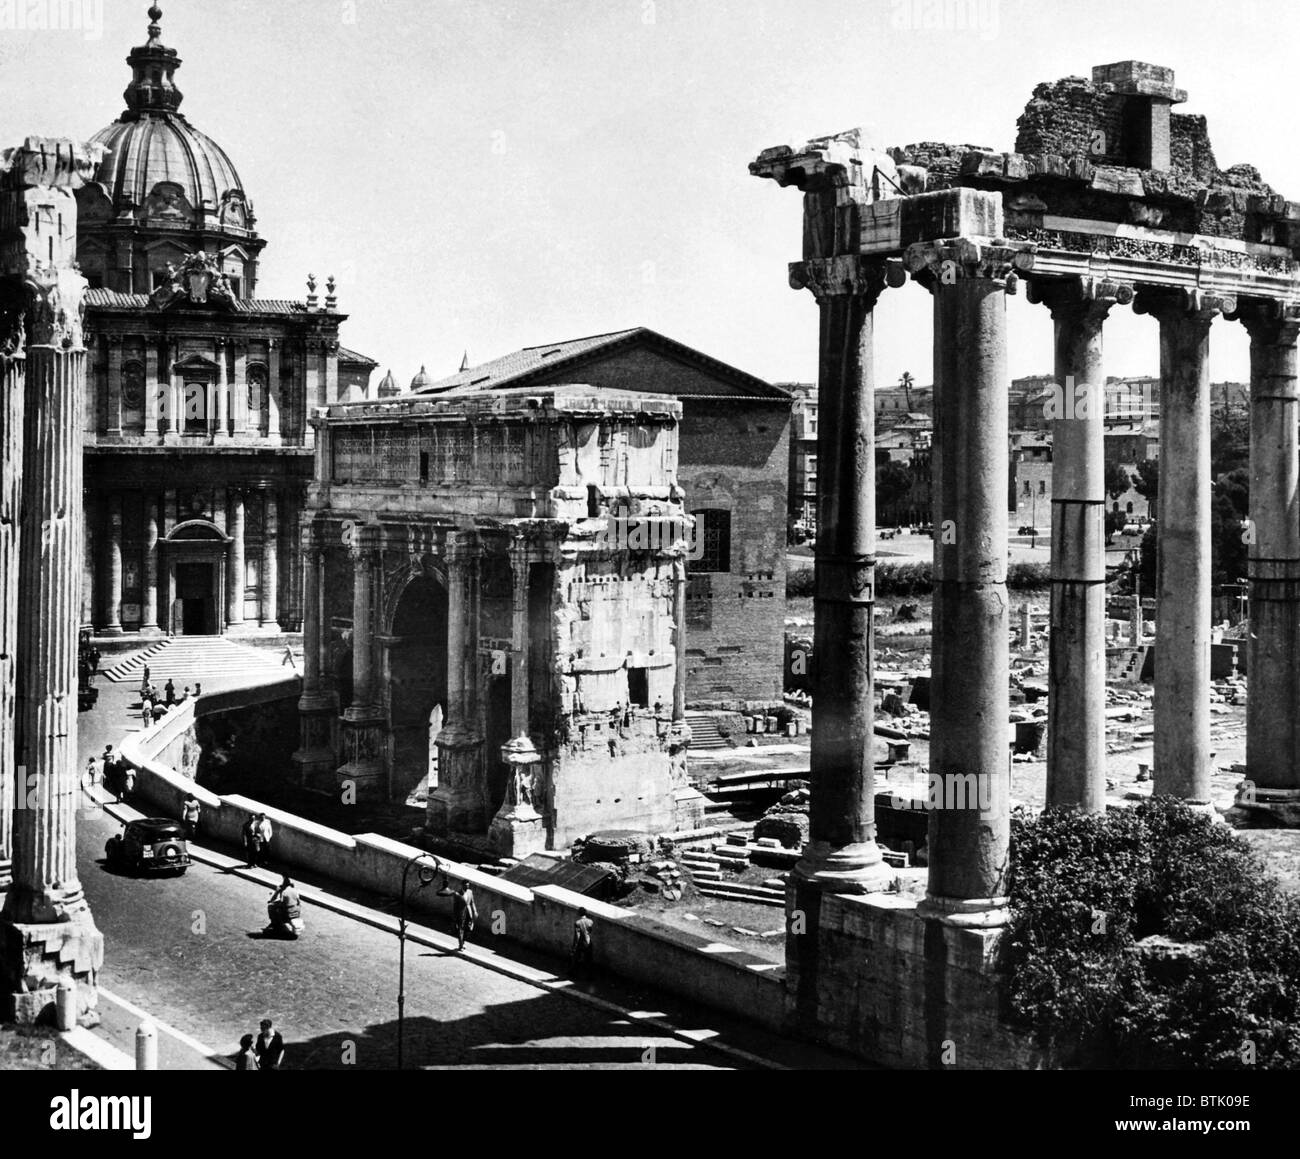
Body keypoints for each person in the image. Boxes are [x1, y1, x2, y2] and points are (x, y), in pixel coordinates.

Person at [438, 876, 478, 951]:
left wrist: (475, 911)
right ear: (462, 885)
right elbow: (455, 906)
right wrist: (455, 915)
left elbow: (472, 902)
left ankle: (463, 941)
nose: (467, 886)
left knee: (469, 929)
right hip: (461, 913)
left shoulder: (470, 892)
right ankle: (461, 945)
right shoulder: (457, 894)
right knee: (460, 929)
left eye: (468, 885)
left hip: (469, 913)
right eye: (465, 885)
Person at [571, 908, 595, 978]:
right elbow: (590, 931)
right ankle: (589, 976)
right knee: (588, 960)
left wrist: (574, 946)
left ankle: (574, 974)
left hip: (581, 943)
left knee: (576, 958)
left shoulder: (577, 923)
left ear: (579, 913)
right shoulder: (590, 921)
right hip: (588, 942)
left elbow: (577, 935)